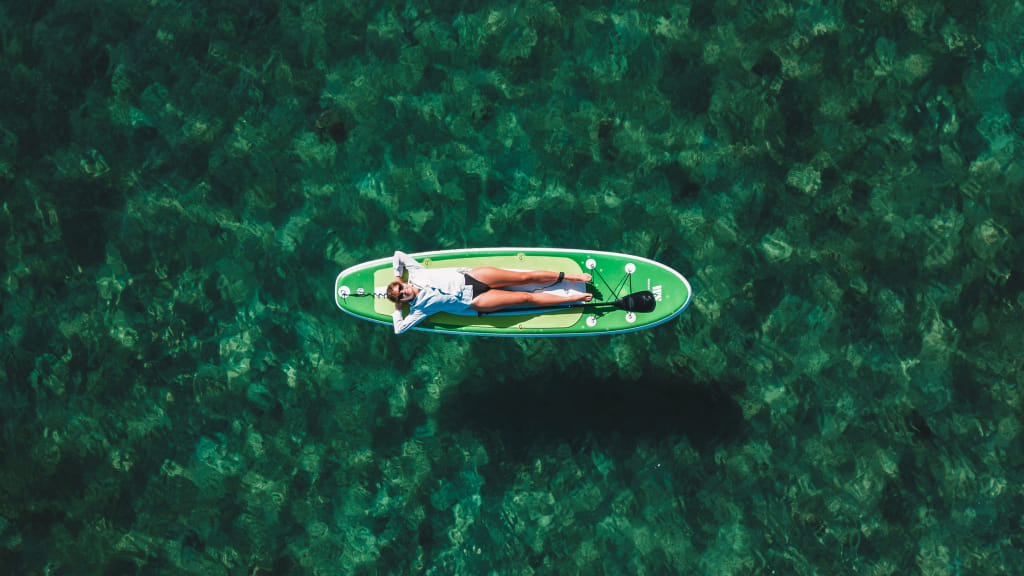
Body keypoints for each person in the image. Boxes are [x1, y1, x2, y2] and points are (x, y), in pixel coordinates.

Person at [386, 251, 593, 334]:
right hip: (475, 300)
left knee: (524, 277)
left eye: (401, 288)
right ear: (403, 301)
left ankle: (573, 278)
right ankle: (574, 298)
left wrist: (397, 278)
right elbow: (399, 328)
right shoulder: (419, 309)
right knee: (525, 298)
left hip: (474, 277)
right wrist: (397, 308)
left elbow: (398, 256)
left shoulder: (415, 274)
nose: (404, 291)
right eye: (401, 295)